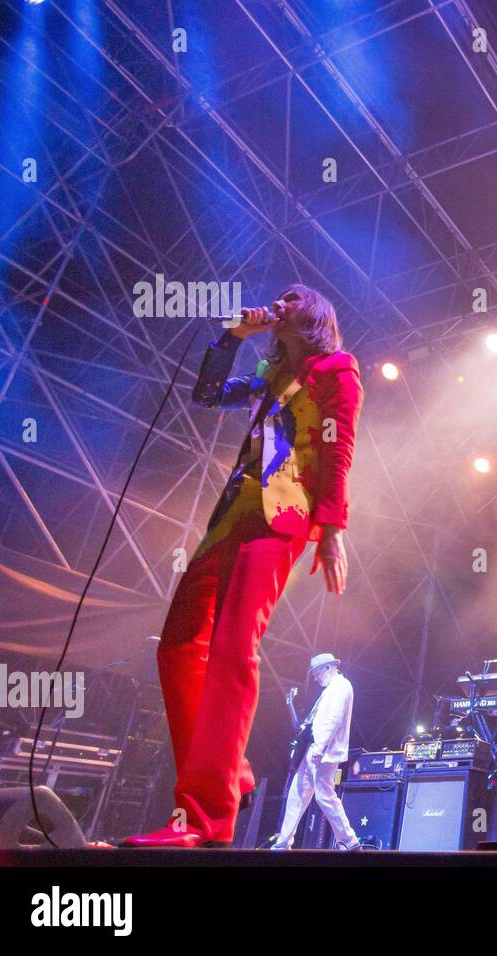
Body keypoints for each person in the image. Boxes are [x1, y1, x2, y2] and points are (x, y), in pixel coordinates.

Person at [124, 286, 363, 848]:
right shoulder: (265, 373)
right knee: (179, 644)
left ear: (312, 316)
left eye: (290, 297)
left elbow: (339, 447)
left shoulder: (337, 369)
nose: (277, 301)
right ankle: (229, 774)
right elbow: (206, 393)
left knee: (233, 649)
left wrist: (331, 530)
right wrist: (231, 337)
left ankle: (205, 816)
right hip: (232, 514)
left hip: (283, 517)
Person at [271, 654, 360, 850]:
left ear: (329, 667)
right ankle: (283, 843)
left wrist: (319, 748)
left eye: (317, 672)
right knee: (297, 794)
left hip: (323, 752)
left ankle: (349, 840)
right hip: (314, 750)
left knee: (324, 796)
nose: (315, 677)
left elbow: (333, 721)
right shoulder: (331, 689)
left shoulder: (340, 687)